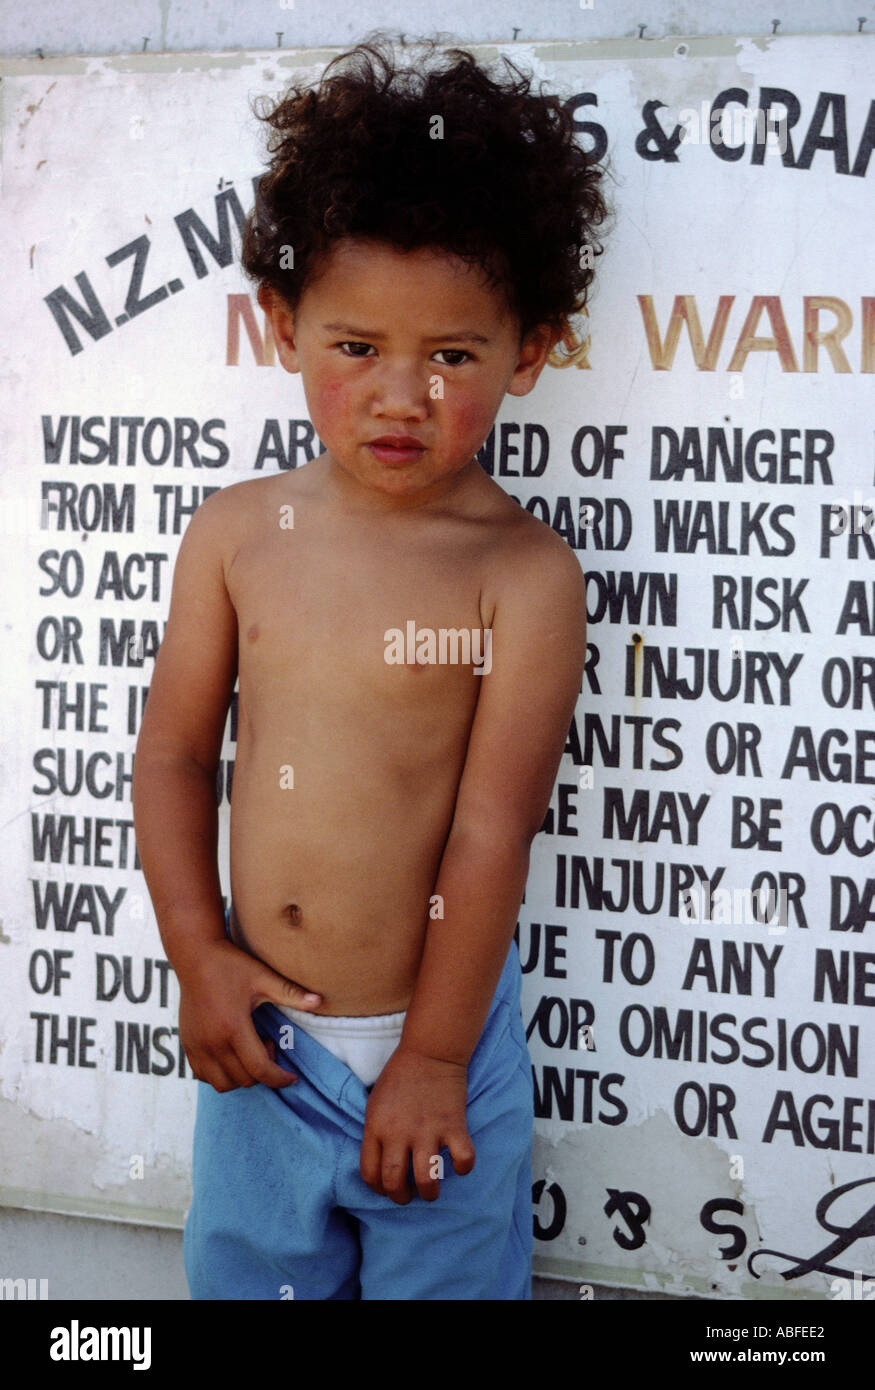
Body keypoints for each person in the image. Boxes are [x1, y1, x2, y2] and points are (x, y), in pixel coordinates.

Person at [132, 34, 608, 1301]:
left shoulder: (522, 574)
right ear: (285, 327)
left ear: (531, 351)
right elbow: (174, 753)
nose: (401, 394)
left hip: (435, 1047)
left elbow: (488, 833)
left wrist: (435, 1058)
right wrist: (199, 954)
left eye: (452, 355)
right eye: (355, 348)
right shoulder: (237, 535)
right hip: (261, 1046)